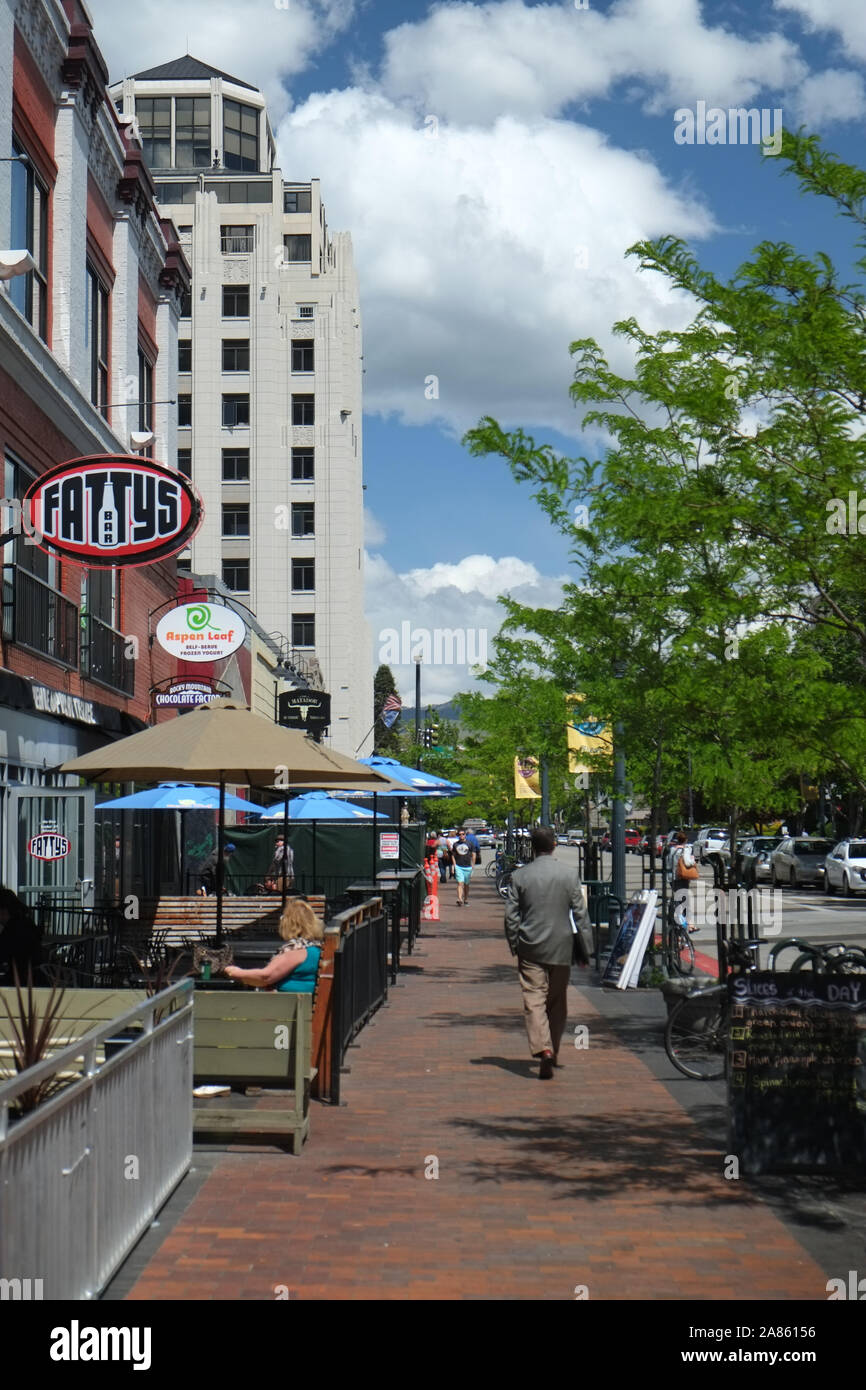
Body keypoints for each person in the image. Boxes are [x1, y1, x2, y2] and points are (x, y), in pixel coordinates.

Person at [504, 826, 593, 1079]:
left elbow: (510, 915)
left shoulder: (520, 877)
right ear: (554, 845)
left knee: (534, 999)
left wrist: (513, 943)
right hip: (561, 946)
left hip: (530, 946)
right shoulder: (568, 875)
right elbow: (580, 913)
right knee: (557, 1001)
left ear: (533, 847)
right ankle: (552, 1048)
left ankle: (543, 1048)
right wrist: (587, 947)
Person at [223, 898, 323, 992]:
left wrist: (235, 972)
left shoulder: (297, 950)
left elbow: (265, 977)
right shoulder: (315, 948)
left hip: (287, 1005)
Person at [0, 887, 43, 985]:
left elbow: (3, 952)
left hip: (21, 979)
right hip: (32, 976)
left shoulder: (13, 928)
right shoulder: (25, 923)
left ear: (4, 911)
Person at [668, 832, 698, 933]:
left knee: (678, 900)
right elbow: (688, 862)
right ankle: (689, 925)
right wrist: (693, 860)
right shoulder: (685, 850)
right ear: (685, 841)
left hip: (672, 878)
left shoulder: (672, 850)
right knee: (685, 902)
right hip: (682, 878)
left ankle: (678, 923)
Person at [451, 828, 475, 906]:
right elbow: (453, 855)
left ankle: (466, 899)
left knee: (466, 884)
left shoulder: (470, 843)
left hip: (468, 866)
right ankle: (459, 899)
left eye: (463, 834)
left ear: (465, 835)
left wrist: (473, 865)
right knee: (460, 883)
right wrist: (454, 865)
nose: (461, 836)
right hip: (459, 866)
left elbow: (473, 854)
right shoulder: (455, 844)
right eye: (460, 834)